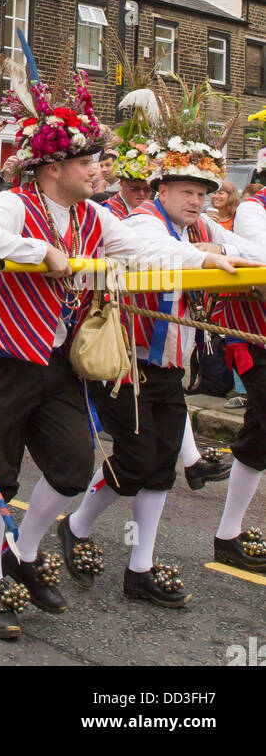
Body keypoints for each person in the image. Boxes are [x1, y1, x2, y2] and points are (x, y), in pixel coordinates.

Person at [0, 67, 235, 640]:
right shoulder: (14, 204)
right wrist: (39, 252)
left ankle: (23, 553)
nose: (100, 171)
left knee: (73, 466)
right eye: (88, 163)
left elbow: (145, 246)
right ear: (54, 168)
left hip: (55, 361)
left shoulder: (94, 216)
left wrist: (203, 259)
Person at [63, 129, 255, 607]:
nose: (197, 201)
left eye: (204, 193)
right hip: (124, 361)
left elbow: (246, 251)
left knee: (162, 465)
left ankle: (140, 569)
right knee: (134, 460)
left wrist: (225, 252)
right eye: (187, 191)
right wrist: (208, 257)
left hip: (169, 364)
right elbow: (156, 254)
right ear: (161, 190)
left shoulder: (204, 228)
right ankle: (76, 525)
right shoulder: (143, 221)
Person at [207, 157, 266, 572]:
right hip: (255, 338)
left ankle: (228, 535)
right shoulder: (253, 208)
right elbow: (260, 261)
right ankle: (228, 534)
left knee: (260, 435)